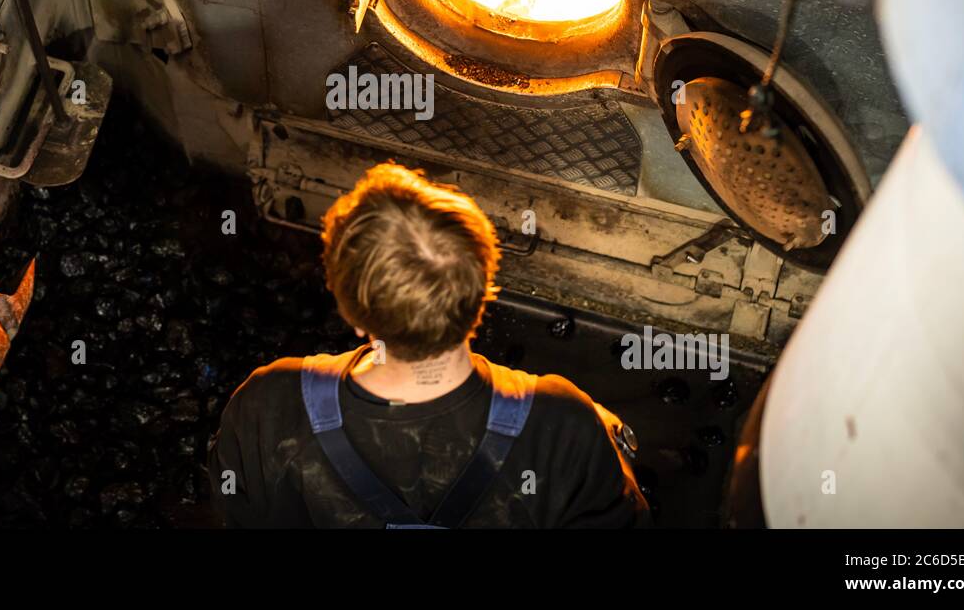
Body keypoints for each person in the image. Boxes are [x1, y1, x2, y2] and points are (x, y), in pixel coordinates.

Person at [207, 163, 649, 528]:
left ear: (349, 310)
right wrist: (592, 431)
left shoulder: (268, 405)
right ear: (483, 289)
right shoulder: (563, 422)